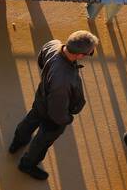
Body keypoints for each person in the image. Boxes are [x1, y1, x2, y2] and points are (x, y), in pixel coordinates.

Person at [8, 30, 99, 180]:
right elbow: (57, 112)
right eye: (90, 53)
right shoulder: (63, 80)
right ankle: (27, 164)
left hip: (41, 98)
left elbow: (41, 59)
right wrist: (67, 119)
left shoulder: (53, 44)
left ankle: (17, 142)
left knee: (31, 119)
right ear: (80, 55)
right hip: (55, 115)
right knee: (42, 141)